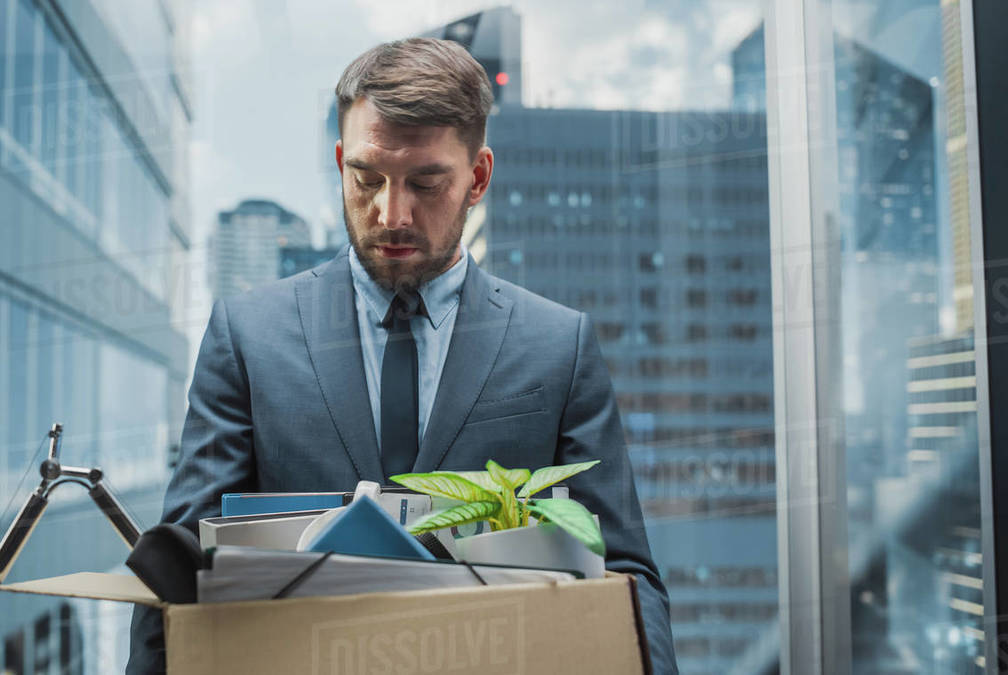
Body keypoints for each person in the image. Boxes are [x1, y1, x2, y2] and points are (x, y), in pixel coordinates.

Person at [129, 37, 677, 674]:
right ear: (341, 163)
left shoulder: (559, 345)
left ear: (478, 179)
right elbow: (177, 567)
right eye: (367, 179)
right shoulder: (247, 336)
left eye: (426, 182)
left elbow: (623, 569)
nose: (392, 213)